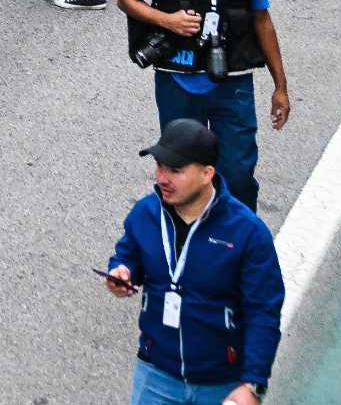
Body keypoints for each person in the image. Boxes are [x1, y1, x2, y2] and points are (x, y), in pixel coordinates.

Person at [116, 0, 292, 211]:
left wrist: (280, 87)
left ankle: (237, 237)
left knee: (238, 176)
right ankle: (186, 237)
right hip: (177, 82)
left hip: (232, 83)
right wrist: (167, 21)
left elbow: (262, 19)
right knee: (182, 176)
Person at [104, 118, 284, 405]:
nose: (162, 178)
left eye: (175, 170)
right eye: (159, 166)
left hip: (222, 384)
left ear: (206, 174)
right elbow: (128, 254)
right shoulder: (145, 214)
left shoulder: (247, 232)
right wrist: (123, 270)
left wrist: (253, 385)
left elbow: (263, 311)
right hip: (156, 375)